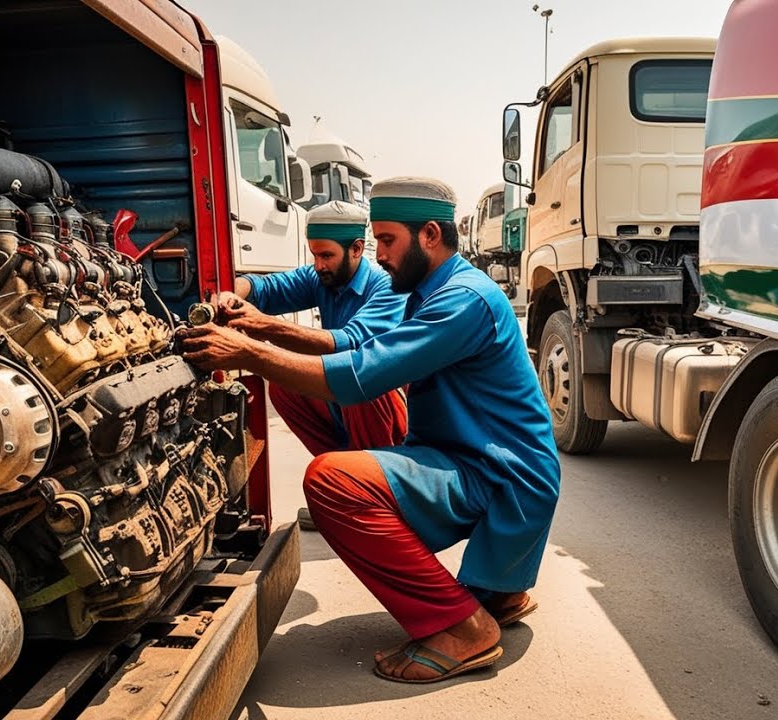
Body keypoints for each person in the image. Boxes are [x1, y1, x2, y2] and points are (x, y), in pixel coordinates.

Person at [180, 177, 561, 684]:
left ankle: (464, 629)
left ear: (429, 235)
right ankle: (497, 592)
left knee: (331, 482)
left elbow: (360, 373)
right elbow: (289, 298)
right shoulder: (430, 288)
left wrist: (251, 352)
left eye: (386, 241)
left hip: (500, 475)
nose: (379, 254)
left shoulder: (462, 299)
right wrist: (249, 311)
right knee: (311, 407)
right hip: (485, 463)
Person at [214, 200, 408, 529]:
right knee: (285, 384)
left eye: (326, 256)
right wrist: (229, 295)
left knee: (359, 380)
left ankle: (381, 498)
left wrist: (262, 329)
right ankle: (345, 488)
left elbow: (350, 342)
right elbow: (264, 287)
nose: (318, 265)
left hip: (393, 416)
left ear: (357, 249)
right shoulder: (321, 277)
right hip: (347, 400)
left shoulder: (387, 288)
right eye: (314, 255)